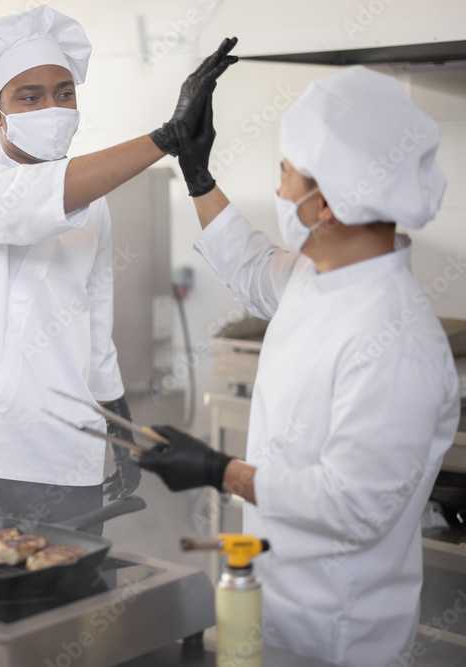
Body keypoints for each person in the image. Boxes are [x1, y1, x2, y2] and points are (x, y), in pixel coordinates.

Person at [138, 66, 457, 667]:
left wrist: (217, 469)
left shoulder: (394, 341)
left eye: (287, 174)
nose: (280, 192)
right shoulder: (325, 275)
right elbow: (255, 268)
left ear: (330, 203)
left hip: (339, 633)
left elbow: (350, 507)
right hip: (275, 602)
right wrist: (197, 171)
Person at [0, 5, 237, 531]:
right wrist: (165, 139)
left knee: (68, 609)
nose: (53, 108)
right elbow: (16, 205)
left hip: (67, 459)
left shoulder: (95, 201)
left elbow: (94, 317)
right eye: (30, 97)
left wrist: (119, 421)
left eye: (65, 93)